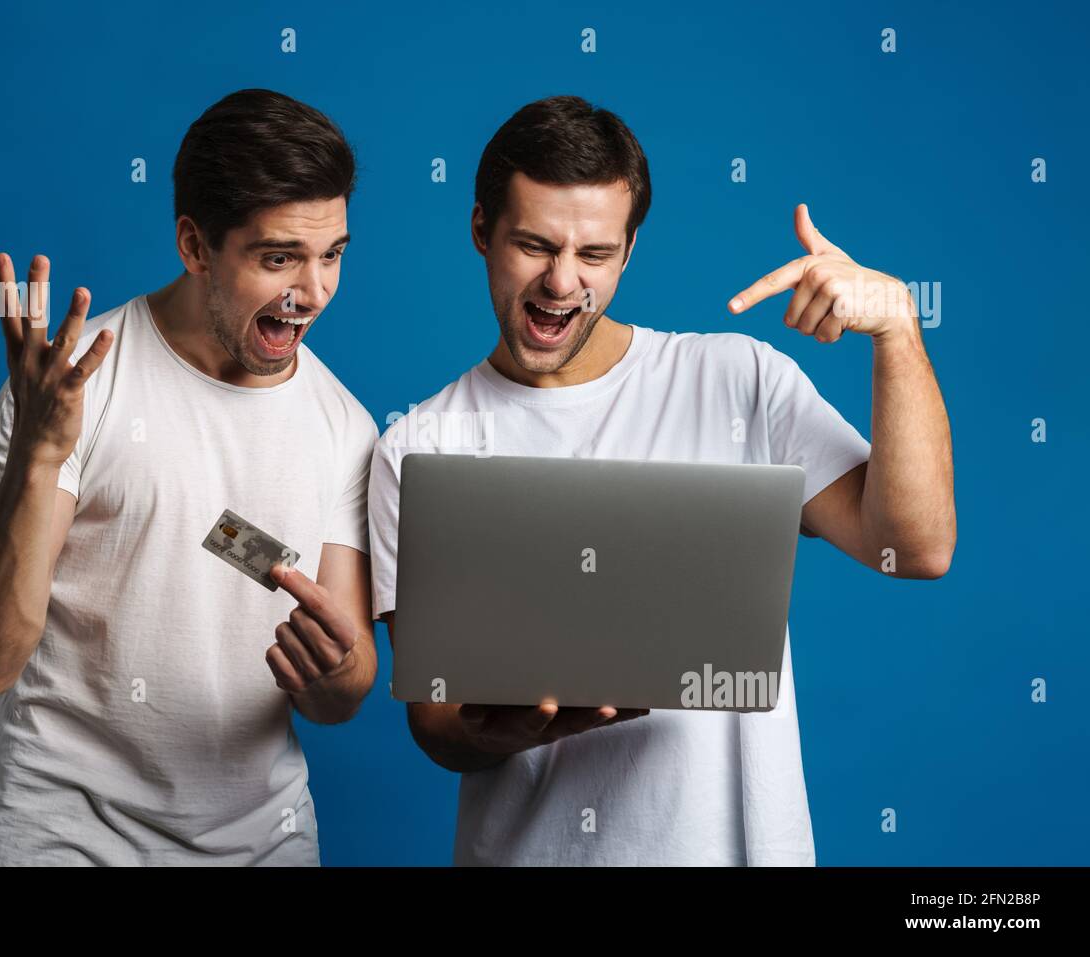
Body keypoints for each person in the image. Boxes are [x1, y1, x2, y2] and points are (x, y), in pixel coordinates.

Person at [368, 95, 956, 866]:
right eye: (534, 245)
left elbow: (915, 547)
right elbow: (435, 723)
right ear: (482, 231)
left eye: (595, 254)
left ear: (630, 249)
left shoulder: (740, 379)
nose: (561, 282)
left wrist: (897, 330)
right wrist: (509, 728)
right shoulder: (418, 446)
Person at [0, 89, 379, 865]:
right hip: (63, 839)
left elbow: (342, 694)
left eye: (332, 254)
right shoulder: (74, 390)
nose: (312, 292)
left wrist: (336, 671)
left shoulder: (345, 428)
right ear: (195, 244)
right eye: (279, 257)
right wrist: (39, 458)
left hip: (263, 843)